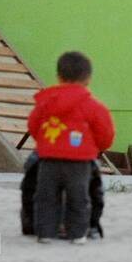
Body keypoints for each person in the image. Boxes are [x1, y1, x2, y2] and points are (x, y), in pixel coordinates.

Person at [28, 50, 116, 243]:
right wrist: (96, 149)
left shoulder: (45, 103)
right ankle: (77, 234)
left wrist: (45, 143)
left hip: (49, 159)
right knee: (79, 198)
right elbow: (105, 133)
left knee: (46, 196)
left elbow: (33, 125)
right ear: (88, 79)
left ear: (59, 76)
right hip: (80, 162)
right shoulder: (93, 106)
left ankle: (45, 233)